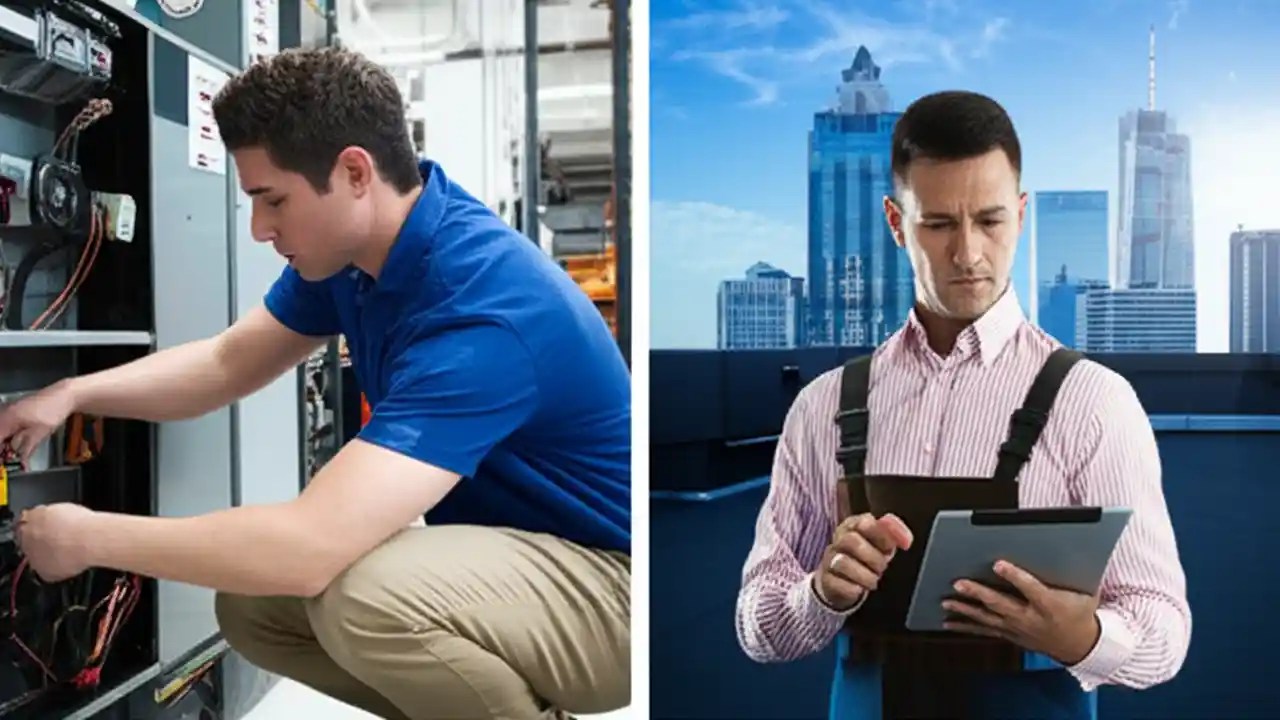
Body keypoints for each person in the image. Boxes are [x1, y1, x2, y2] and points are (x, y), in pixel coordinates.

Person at [0, 47, 630, 720]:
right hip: (533, 564)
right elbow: (224, 364)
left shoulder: (482, 310)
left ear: (355, 171)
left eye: (273, 200)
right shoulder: (361, 258)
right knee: (251, 607)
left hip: (615, 591)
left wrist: (89, 539)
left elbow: (306, 549)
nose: (259, 228)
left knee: (366, 599)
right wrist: (69, 394)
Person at [733, 90, 1190, 719]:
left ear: (1022, 216)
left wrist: (1081, 638)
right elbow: (758, 630)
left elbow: (1164, 630)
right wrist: (821, 594)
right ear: (897, 223)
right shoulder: (826, 407)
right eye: (940, 224)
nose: (969, 252)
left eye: (991, 220)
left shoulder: (1093, 403)